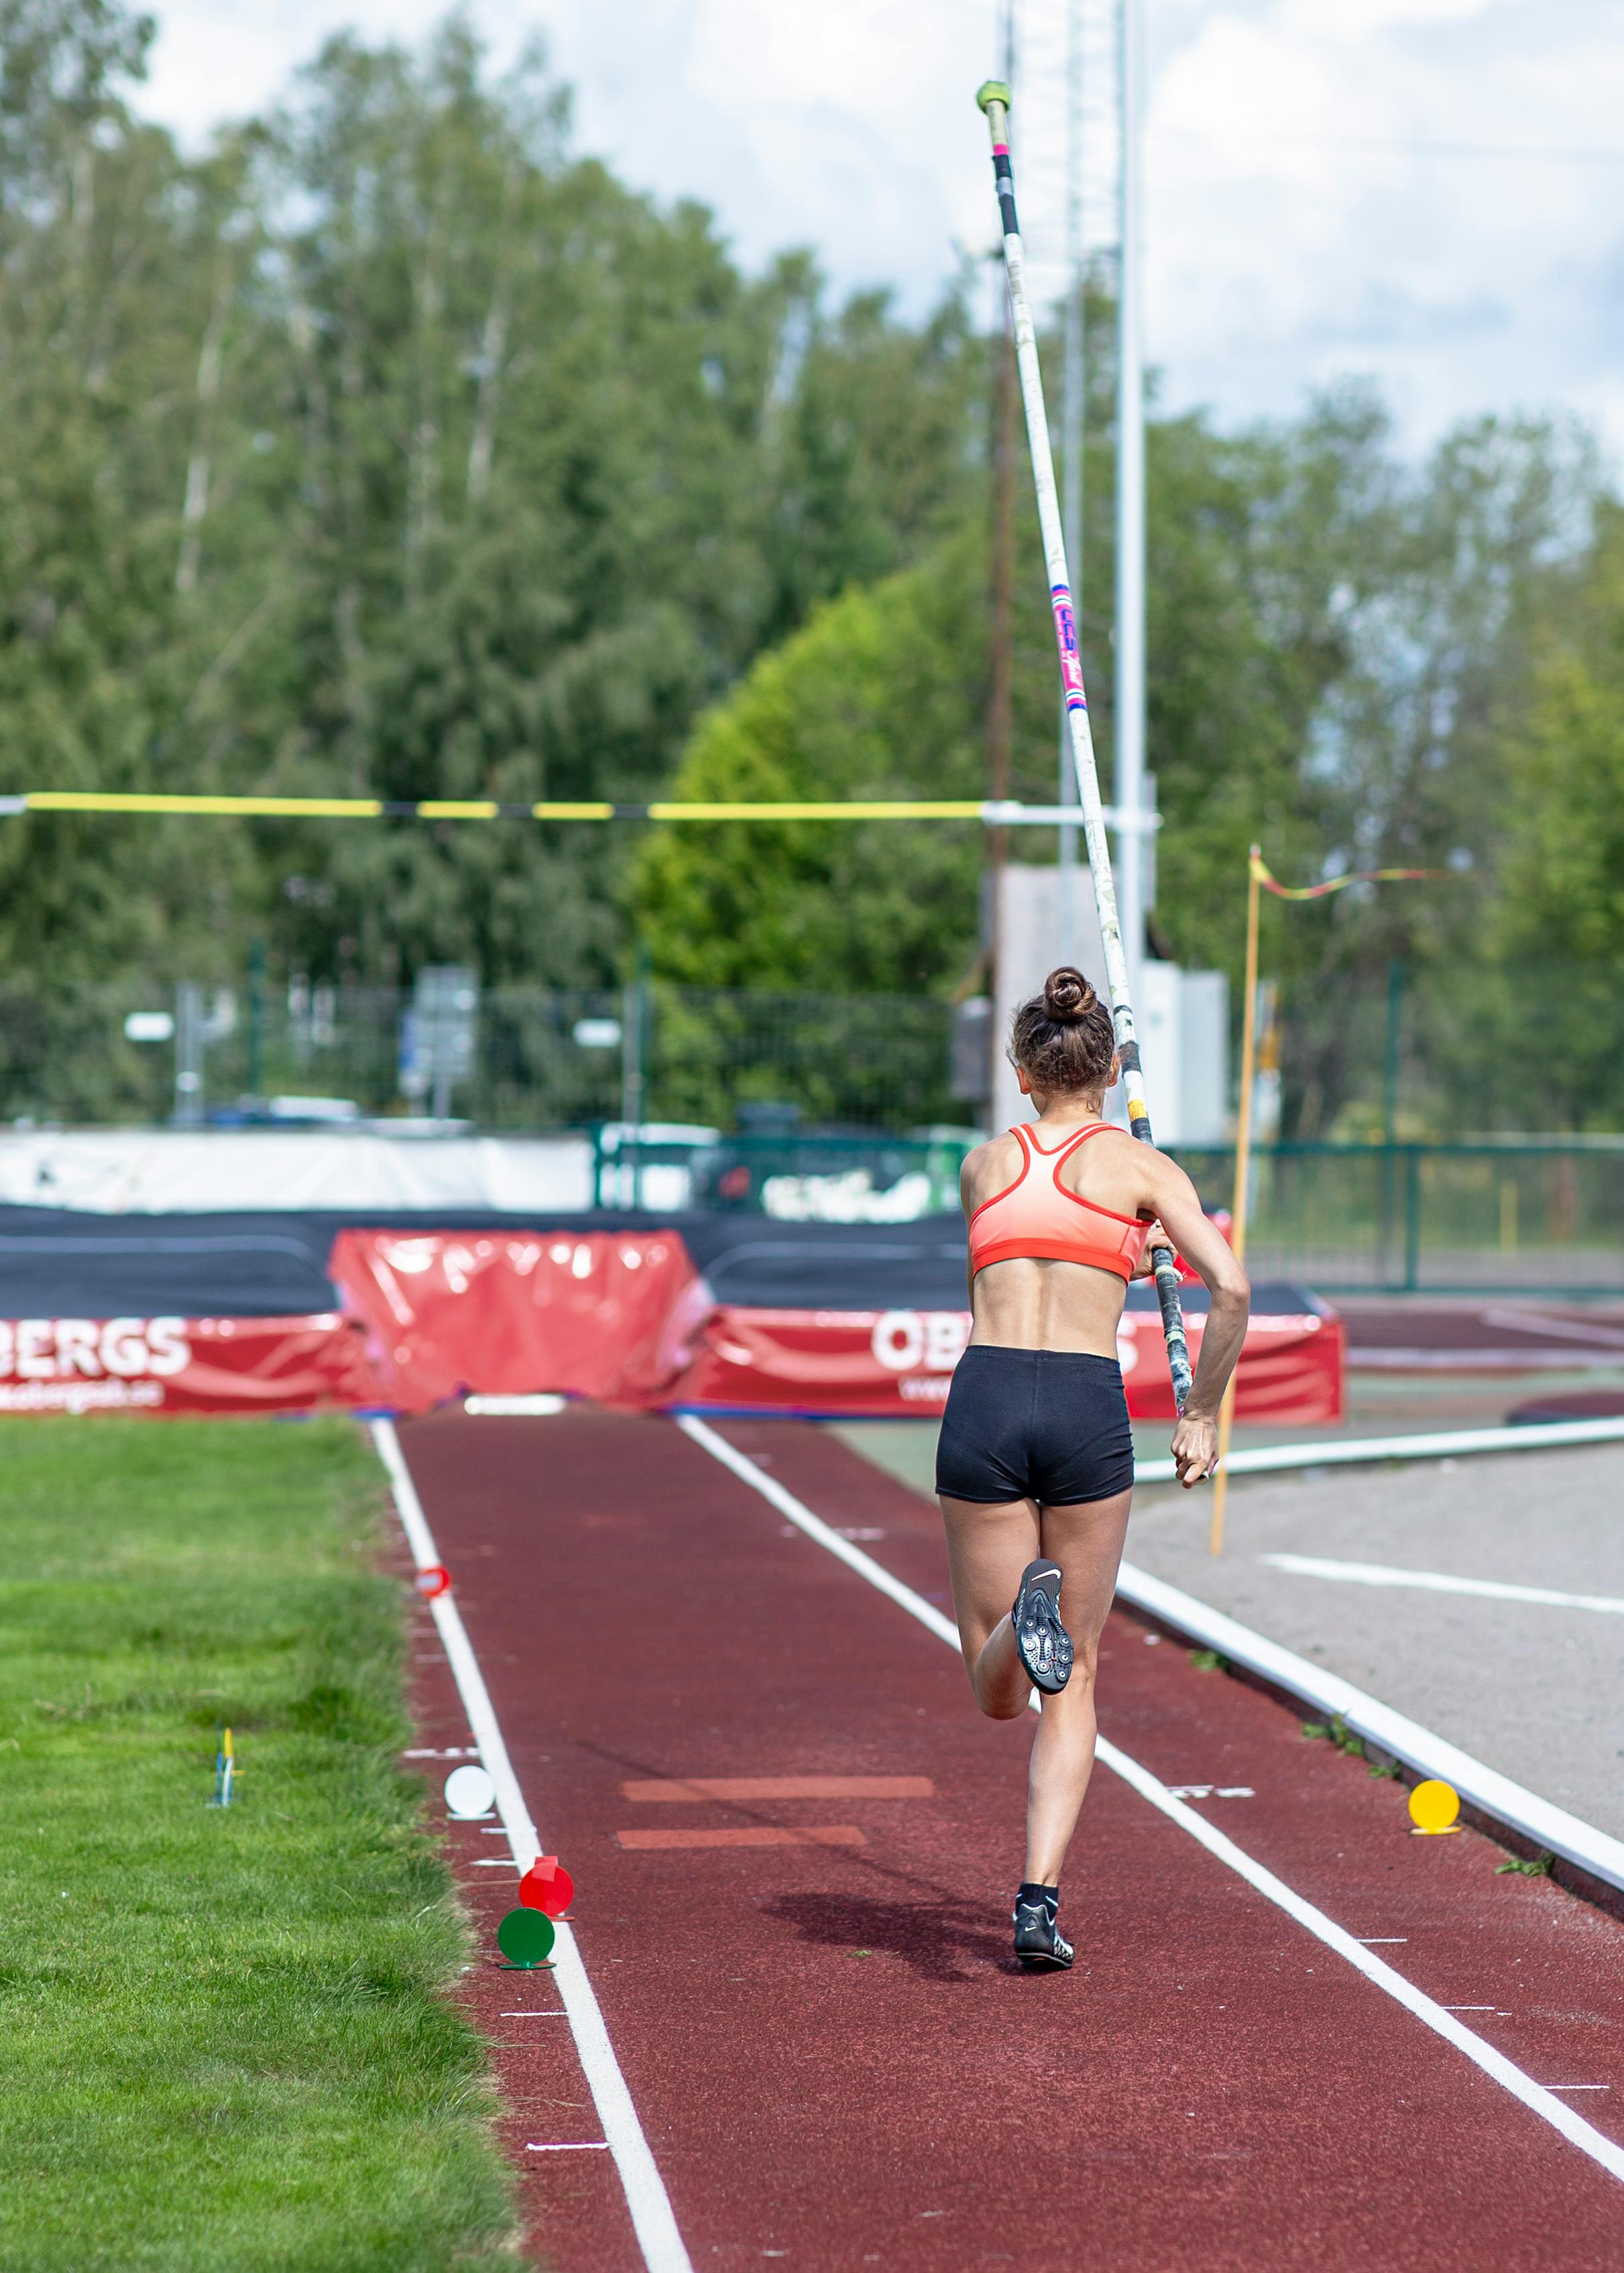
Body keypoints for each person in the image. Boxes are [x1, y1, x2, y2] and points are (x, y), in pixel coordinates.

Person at [937, 965, 1250, 1970]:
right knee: (1072, 1678)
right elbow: (1232, 1289)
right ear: (1111, 1073)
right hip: (1083, 1404)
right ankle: (1036, 1904)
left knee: (997, 1689)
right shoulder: (1142, 1169)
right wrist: (1199, 1412)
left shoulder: (983, 1165)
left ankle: (1019, 1622)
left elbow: (998, 1274)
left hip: (988, 1393)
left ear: (1022, 1074)